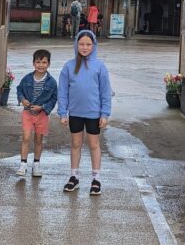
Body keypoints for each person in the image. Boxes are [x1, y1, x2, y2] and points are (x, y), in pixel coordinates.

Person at [57, 30, 112, 196]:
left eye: (88, 44)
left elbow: (105, 91)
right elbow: (63, 91)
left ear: (94, 45)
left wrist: (105, 113)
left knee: (94, 145)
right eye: (81, 44)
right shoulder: (68, 66)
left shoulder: (100, 66)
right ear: (76, 45)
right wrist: (62, 112)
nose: (85, 47)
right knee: (75, 144)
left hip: (94, 113)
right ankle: (74, 176)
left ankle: (96, 179)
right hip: (75, 113)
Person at [14, 49, 58, 177]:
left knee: (38, 139)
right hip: (28, 113)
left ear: (48, 64)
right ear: (33, 63)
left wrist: (43, 107)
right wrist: (22, 99)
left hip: (42, 114)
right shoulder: (27, 78)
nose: (41, 65)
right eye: (38, 62)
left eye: (44, 62)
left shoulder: (52, 82)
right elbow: (19, 89)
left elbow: (54, 98)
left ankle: (36, 164)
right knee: (26, 137)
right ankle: (23, 164)